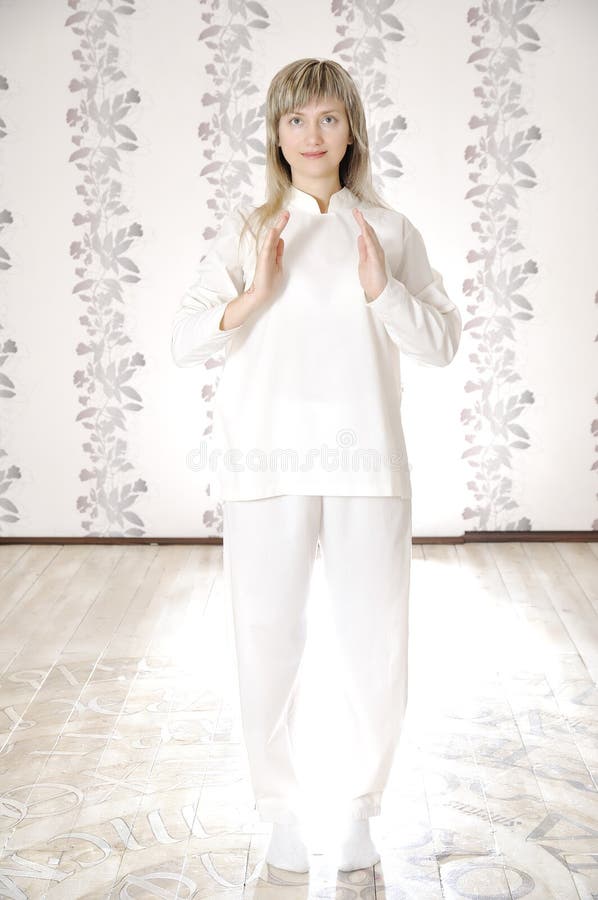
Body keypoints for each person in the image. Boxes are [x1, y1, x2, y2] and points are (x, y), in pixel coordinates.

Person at [171, 58, 462, 874]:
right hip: (266, 463)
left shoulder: (391, 231)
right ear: (275, 132)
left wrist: (383, 292)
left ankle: (363, 807)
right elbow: (184, 336)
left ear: (351, 129)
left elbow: (441, 342)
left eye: (328, 118)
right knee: (268, 638)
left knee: (376, 642)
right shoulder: (247, 230)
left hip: (369, 464)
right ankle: (280, 812)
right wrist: (254, 293)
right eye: (296, 121)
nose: (312, 136)